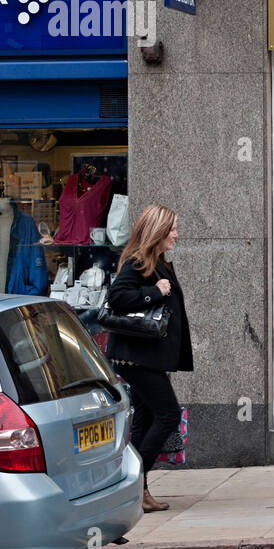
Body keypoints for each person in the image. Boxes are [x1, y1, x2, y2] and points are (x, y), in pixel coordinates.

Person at [105, 205, 193, 513]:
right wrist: (153, 291)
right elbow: (117, 297)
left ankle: (136, 491)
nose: (176, 235)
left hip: (147, 357)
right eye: (172, 229)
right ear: (157, 231)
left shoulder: (159, 262)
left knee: (144, 419)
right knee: (167, 414)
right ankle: (132, 485)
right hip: (136, 358)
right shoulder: (138, 262)